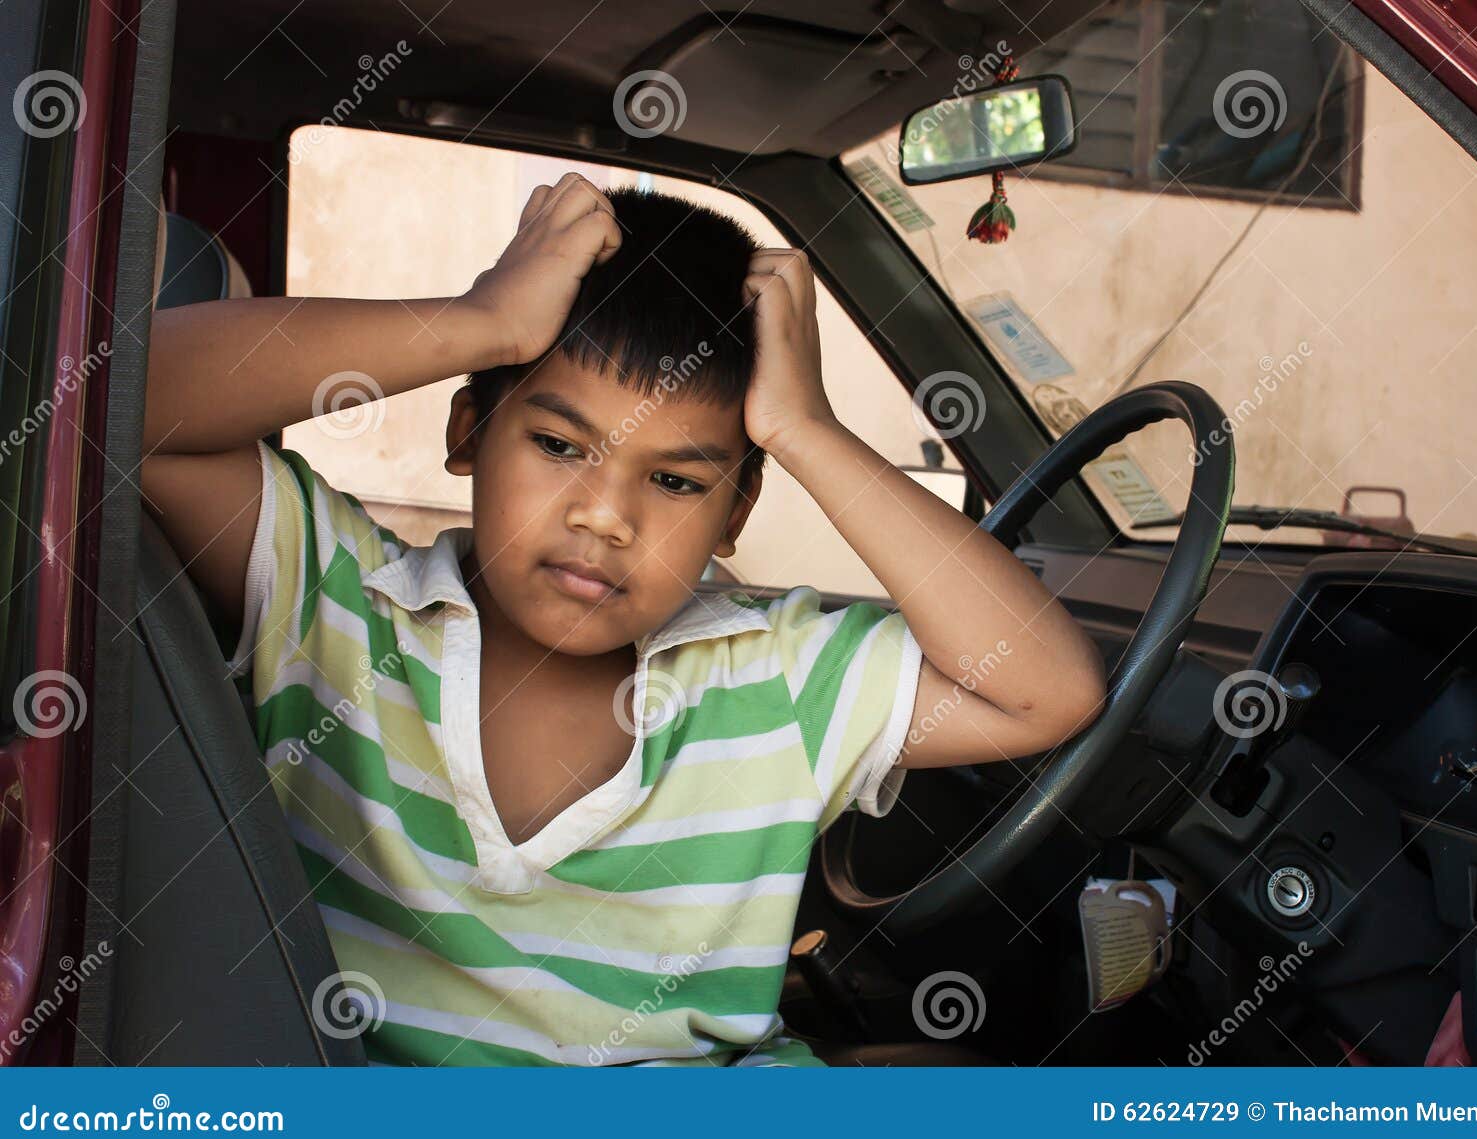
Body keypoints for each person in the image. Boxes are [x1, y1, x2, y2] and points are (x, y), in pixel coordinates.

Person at [140, 174, 1107, 1066]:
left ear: (736, 513)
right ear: (468, 432)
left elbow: (1047, 691)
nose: (606, 515)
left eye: (678, 480)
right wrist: (483, 320)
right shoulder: (340, 602)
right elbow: (122, 404)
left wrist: (806, 428)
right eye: (559, 444)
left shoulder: (776, 678)